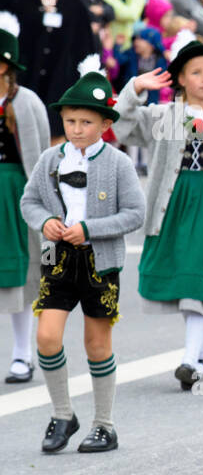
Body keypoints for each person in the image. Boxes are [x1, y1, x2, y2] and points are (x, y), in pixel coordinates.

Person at [115, 42, 203, 390]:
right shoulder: (165, 116)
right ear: (180, 79)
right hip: (174, 207)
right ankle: (201, 350)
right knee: (184, 281)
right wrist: (134, 88)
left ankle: (190, 359)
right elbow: (122, 125)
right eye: (196, 72)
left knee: (198, 280)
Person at [20, 62, 145, 452]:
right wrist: (47, 222)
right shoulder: (51, 160)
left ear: (105, 125)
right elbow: (30, 201)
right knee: (46, 337)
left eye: (85, 122)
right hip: (57, 260)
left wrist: (90, 228)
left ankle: (104, 424)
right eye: (70, 120)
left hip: (99, 263)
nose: (76, 129)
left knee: (96, 344)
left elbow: (135, 214)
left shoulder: (119, 164)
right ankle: (62, 414)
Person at [0, 14, 50, 384]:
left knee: (20, 272)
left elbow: (41, 155)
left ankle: (22, 353)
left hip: (14, 191)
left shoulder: (26, 102)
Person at [17, 0, 97, 145]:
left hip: (61, 78)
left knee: (57, 132)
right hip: (29, 77)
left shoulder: (73, 2)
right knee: (25, 133)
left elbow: (84, 44)